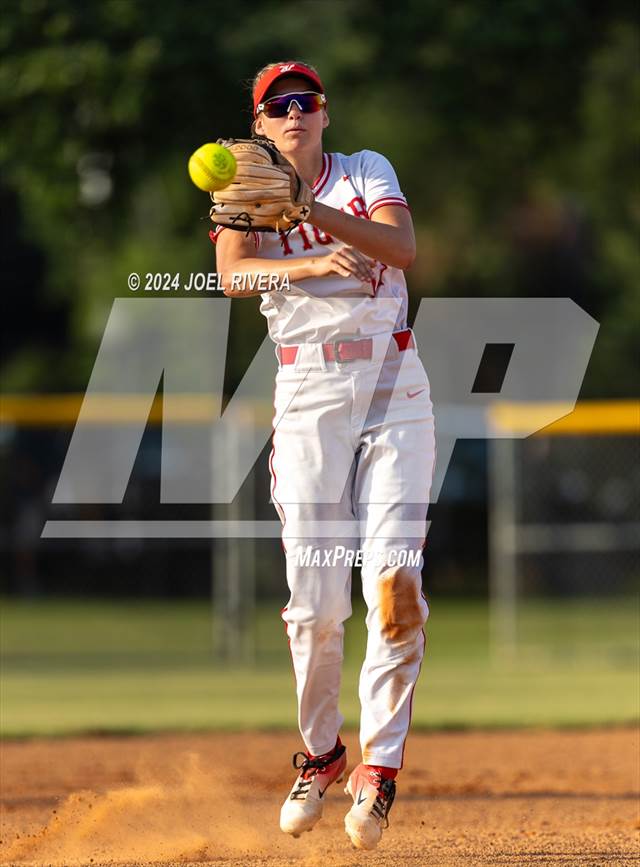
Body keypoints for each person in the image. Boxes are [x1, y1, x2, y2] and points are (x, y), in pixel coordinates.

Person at [212, 60, 435, 851]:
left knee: (395, 586)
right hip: (308, 401)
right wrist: (304, 255)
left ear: (325, 113)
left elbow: (401, 247)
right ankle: (320, 753)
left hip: (392, 389)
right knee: (315, 606)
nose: (294, 112)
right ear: (261, 124)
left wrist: (316, 215)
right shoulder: (245, 187)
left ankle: (379, 768)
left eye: (305, 101)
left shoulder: (366, 170)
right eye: (279, 106)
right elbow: (231, 275)